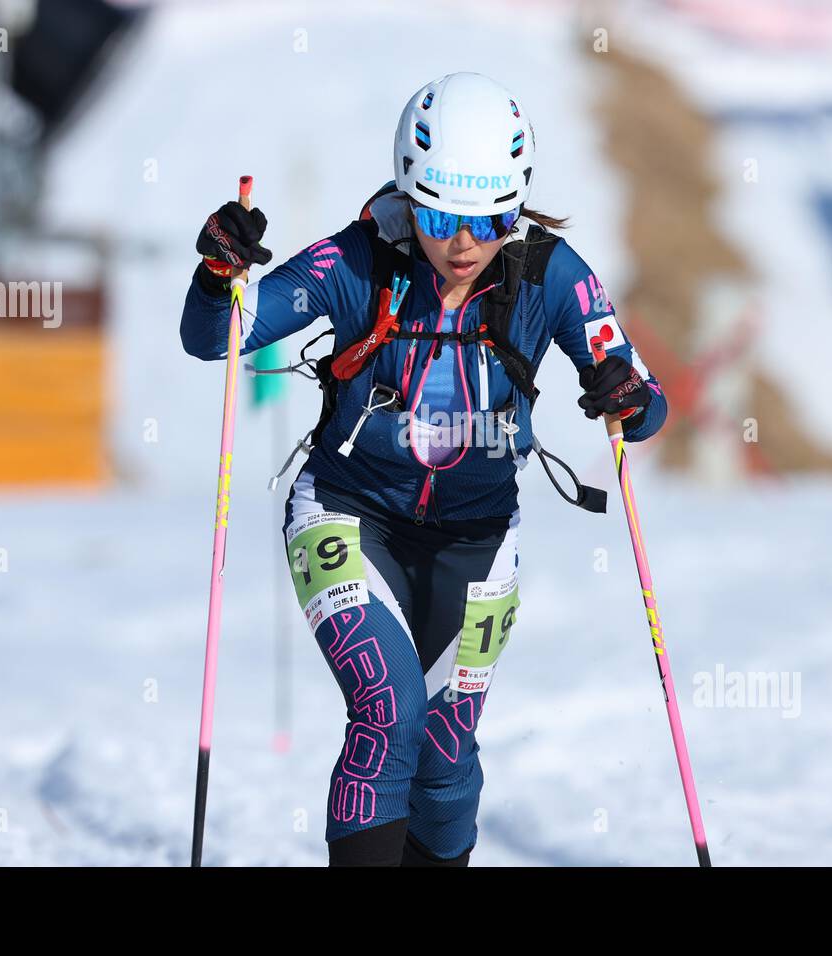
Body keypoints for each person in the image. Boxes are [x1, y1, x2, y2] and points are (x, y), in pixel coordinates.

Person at [180, 72, 667, 866]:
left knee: (445, 758)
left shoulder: (552, 272)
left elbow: (646, 409)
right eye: (442, 215)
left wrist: (626, 395)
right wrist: (216, 276)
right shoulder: (354, 259)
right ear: (410, 193)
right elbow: (218, 338)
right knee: (387, 709)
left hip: (476, 535)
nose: (466, 242)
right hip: (348, 512)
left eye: (491, 218)